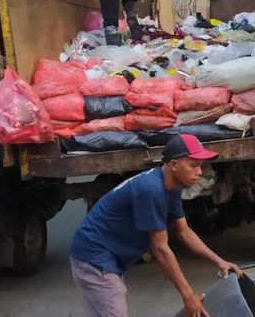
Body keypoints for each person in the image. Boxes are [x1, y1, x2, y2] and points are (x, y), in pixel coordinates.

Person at [69, 134, 243, 317]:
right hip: (94, 257)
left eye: (200, 165)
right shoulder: (151, 190)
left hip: (105, 257)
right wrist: (189, 296)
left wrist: (219, 261)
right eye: (194, 165)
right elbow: (160, 249)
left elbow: (184, 232)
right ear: (174, 165)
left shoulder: (172, 187)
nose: (199, 172)